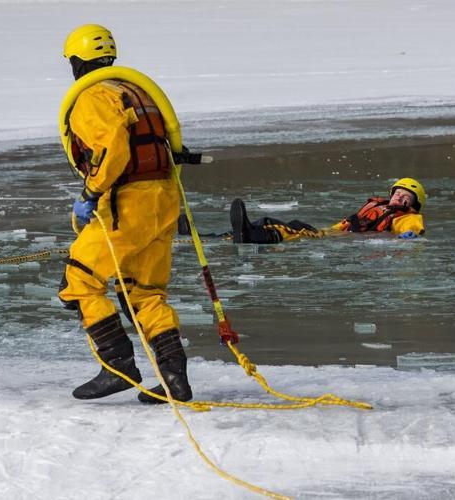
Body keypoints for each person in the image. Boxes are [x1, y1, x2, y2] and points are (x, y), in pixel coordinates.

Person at [57, 24, 191, 404]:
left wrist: (91, 191)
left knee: (79, 279)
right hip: (163, 198)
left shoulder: (91, 98)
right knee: (145, 293)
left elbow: (114, 146)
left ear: (77, 61)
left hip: (126, 204)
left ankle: (117, 369)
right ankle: (174, 383)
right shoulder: (135, 91)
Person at [222, 177, 426, 244]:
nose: (400, 197)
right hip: (334, 231)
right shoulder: (381, 205)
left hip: (343, 239)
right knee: (275, 221)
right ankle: (219, 236)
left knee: (294, 230)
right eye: (398, 193)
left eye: (406, 197)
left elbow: (412, 227)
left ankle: (252, 235)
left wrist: (411, 235)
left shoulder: (406, 217)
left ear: (412, 205)